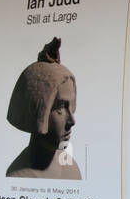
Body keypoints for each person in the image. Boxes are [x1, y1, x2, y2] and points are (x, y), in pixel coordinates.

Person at [5, 37, 81, 179]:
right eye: (60, 107)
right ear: (38, 110)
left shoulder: (72, 168)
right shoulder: (20, 176)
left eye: (70, 106)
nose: (72, 121)